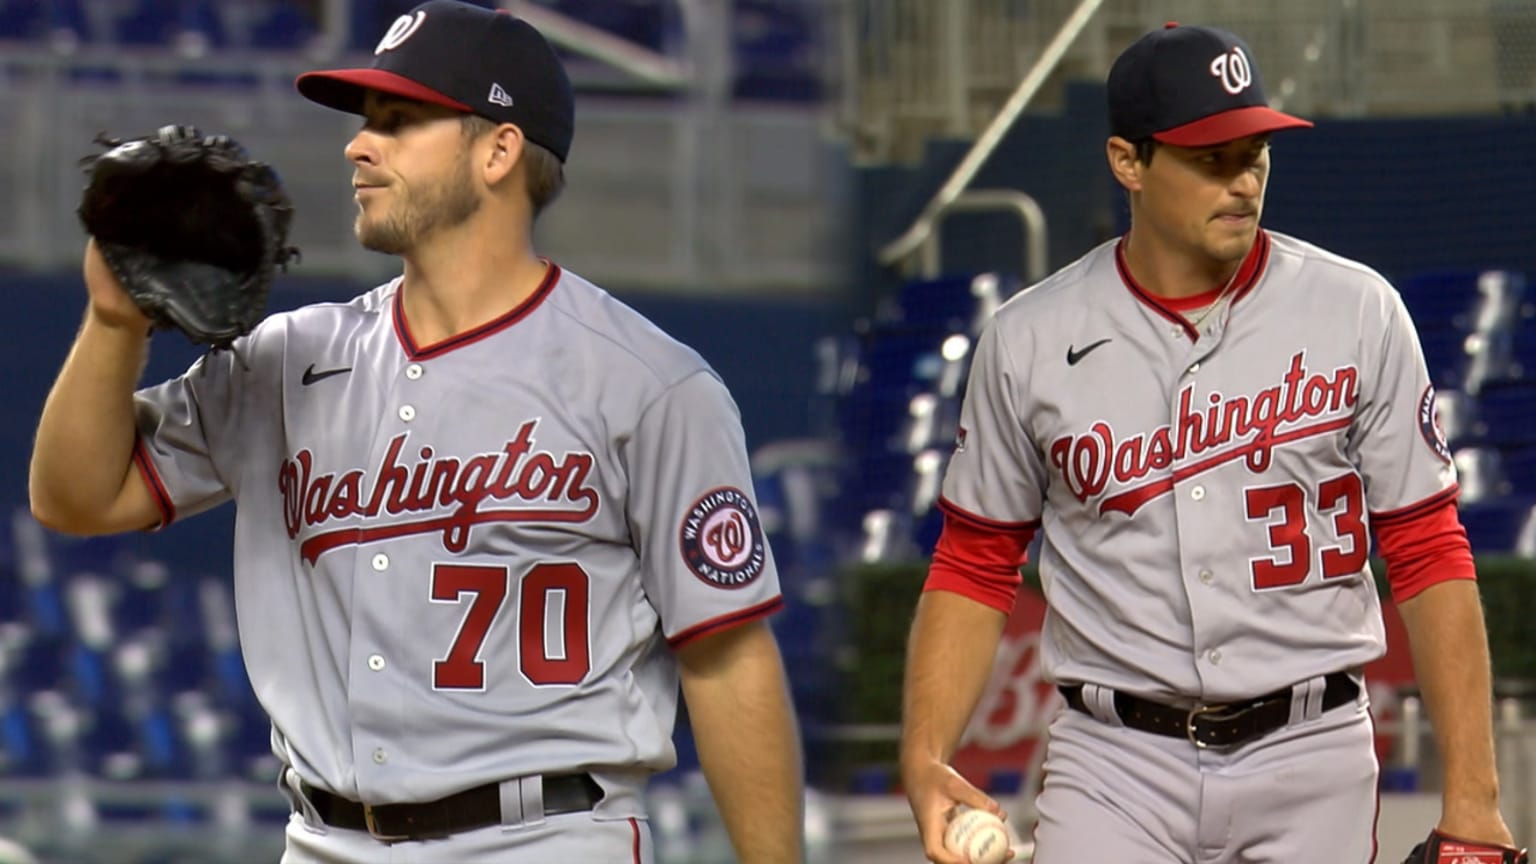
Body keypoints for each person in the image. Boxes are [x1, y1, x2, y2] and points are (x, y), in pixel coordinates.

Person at [29, 2, 803, 862]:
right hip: (322, 840)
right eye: (367, 125)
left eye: (399, 123)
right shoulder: (284, 360)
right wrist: (113, 324)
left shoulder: (648, 384)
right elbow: (78, 497)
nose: (360, 147)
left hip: (543, 836)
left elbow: (728, 658)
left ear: (498, 150)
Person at [898, 22, 1518, 863]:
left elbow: (1428, 546)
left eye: (1254, 152)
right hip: (1114, 759)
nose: (1242, 181)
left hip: (1313, 750)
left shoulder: (1357, 311)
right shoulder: (1030, 338)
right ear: (1129, 163)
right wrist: (925, 754)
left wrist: (1474, 799)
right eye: (1209, 158)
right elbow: (976, 559)